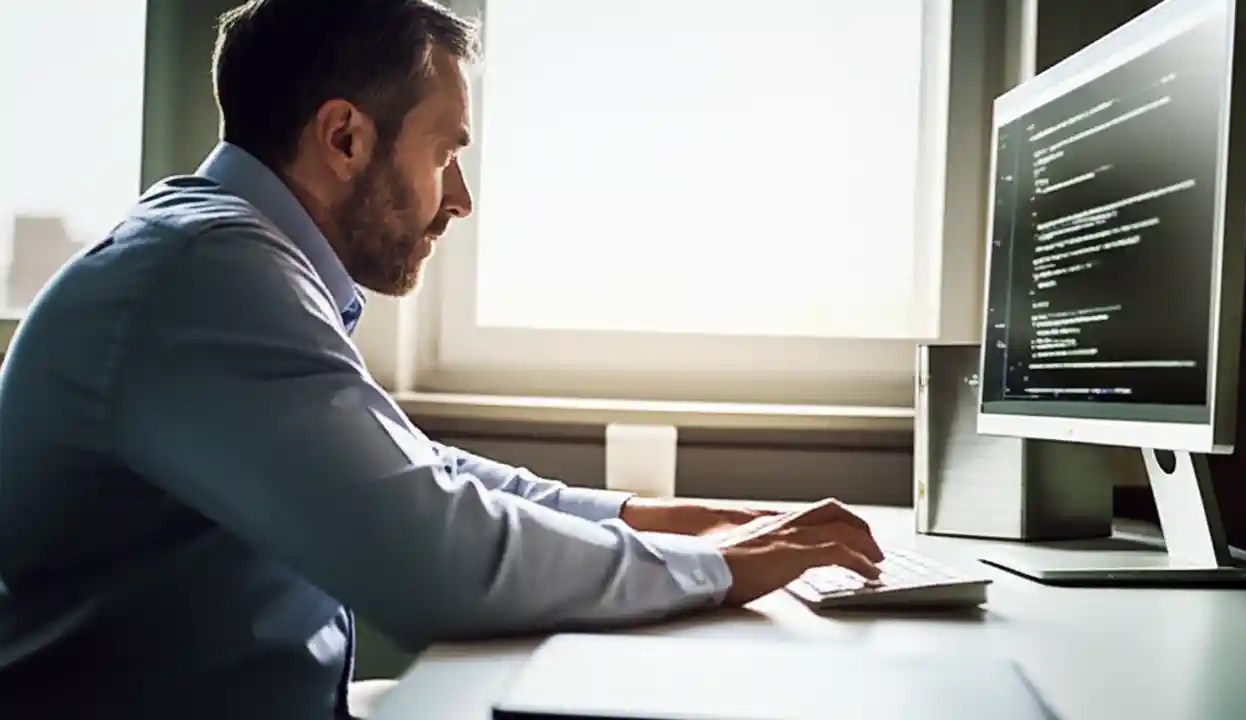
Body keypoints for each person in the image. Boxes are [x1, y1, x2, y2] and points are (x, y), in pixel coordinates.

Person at [0, 1, 883, 718]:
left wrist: (661, 518)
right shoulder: (208, 274)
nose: (459, 199)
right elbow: (435, 561)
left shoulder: (222, 253)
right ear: (344, 137)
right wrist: (724, 569)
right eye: (446, 150)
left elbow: (421, 472)